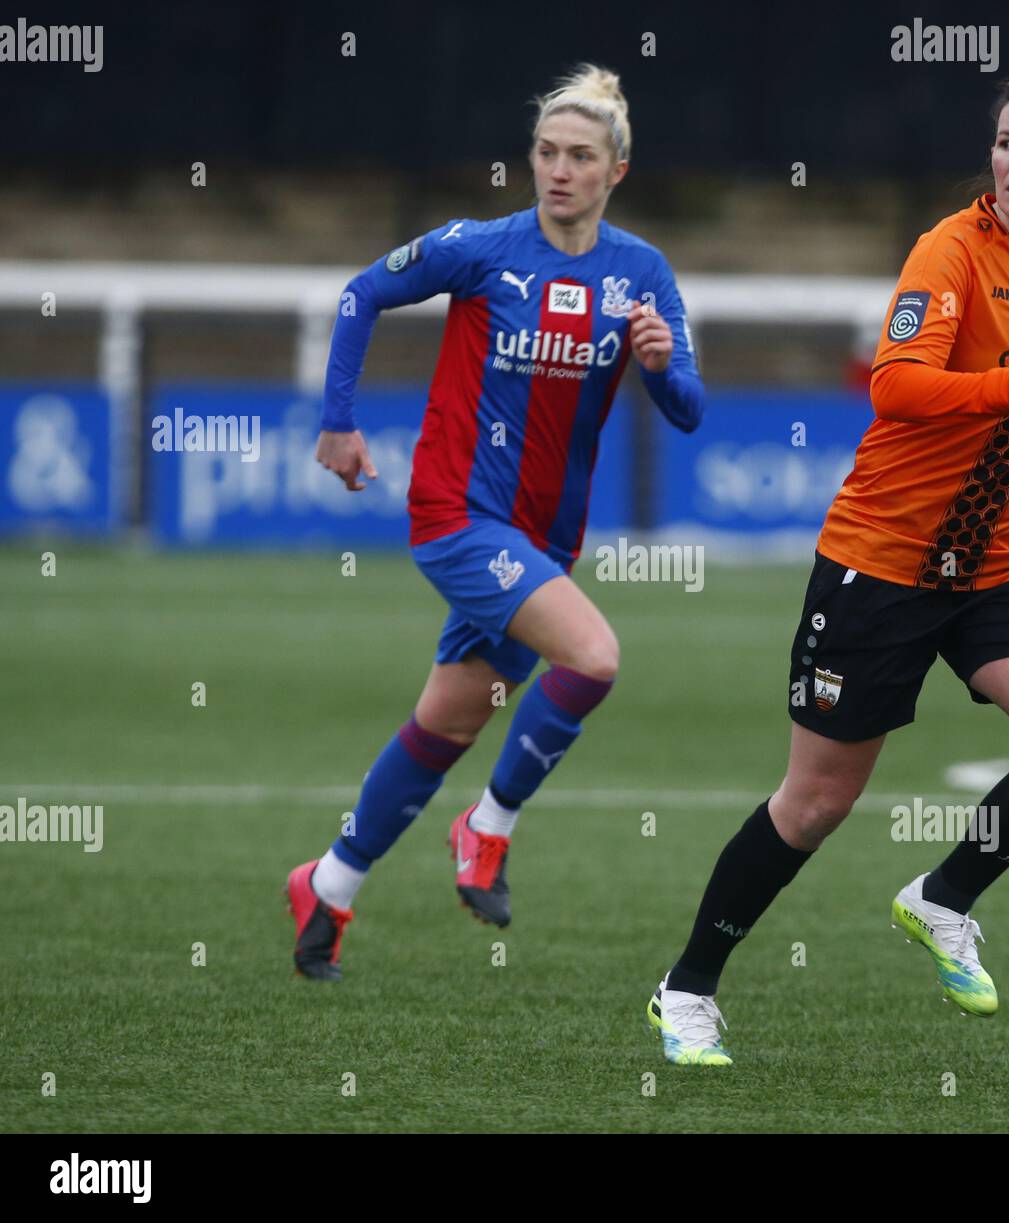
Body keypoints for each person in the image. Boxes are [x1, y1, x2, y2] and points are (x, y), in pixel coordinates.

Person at [648, 70, 1009, 1064]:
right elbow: (899, 386)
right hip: (883, 561)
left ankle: (943, 895)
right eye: (1006, 142)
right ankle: (686, 986)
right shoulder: (948, 250)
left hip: (1001, 563)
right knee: (818, 800)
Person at [285, 64, 705, 981]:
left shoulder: (642, 274)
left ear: (616, 171)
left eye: (581, 157)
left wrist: (664, 365)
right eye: (547, 152)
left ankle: (328, 882)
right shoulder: (482, 248)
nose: (559, 170)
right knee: (593, 656)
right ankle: (487, 830)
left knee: (448, 724)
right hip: (456, 517)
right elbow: (361, 294)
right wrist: (339, 421)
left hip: (543, 541)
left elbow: (688, 409)